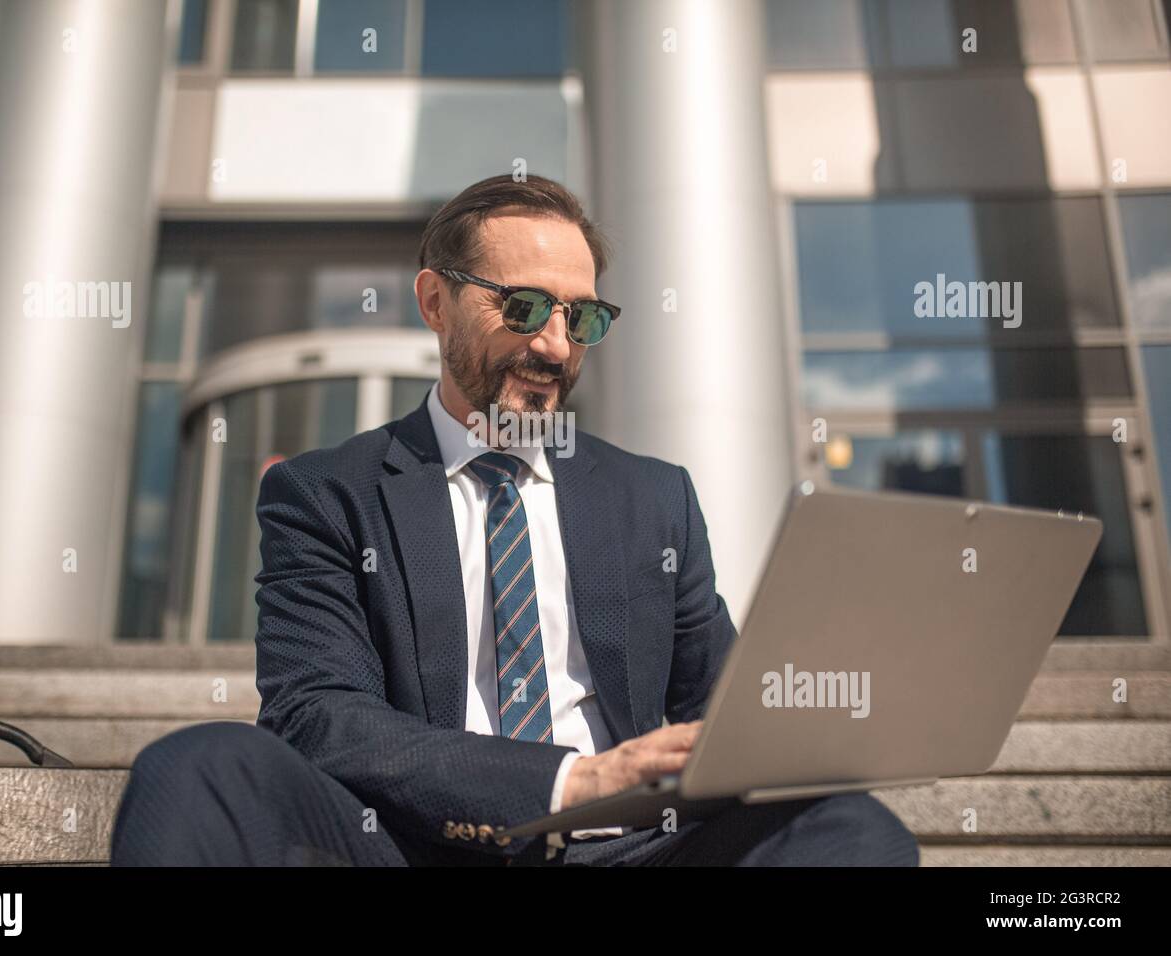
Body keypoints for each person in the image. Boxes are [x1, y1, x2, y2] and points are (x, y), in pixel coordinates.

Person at [110, 174, 920, 867]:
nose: (558, 348)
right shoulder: (328, 493)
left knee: (847, 828)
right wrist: (571, 780)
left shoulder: (654, 499)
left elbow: (721, 711)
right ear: (436, 300)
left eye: (584, 318)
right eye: (527, 308)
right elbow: (318, 716)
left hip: (627, 851)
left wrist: (814, 709)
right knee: (199, 769)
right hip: (412, 846)